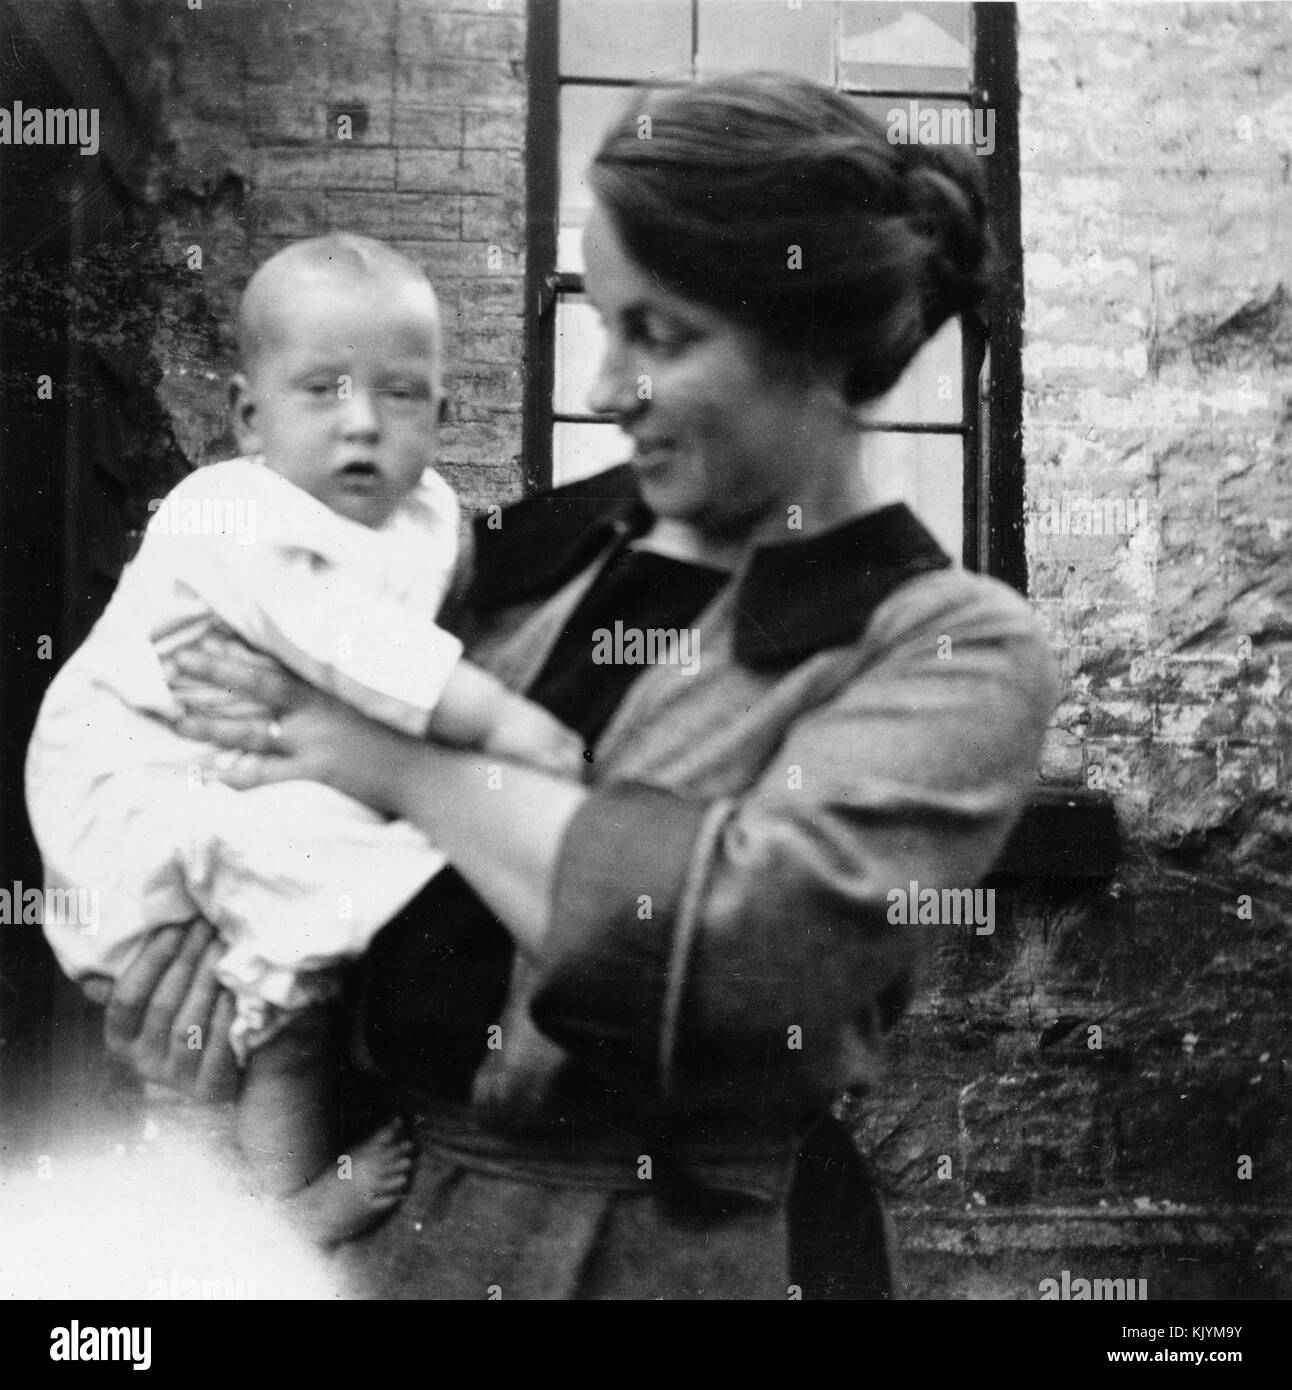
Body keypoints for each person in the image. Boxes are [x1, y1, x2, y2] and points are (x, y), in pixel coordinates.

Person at [98, 74, 1059, 1298]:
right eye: (605, 325)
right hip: (395, 1227)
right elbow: (282, 820)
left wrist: (388, 758)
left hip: (672, 1253)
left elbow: (726, 955)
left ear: (808, 340)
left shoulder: (947, 646)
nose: (605, 389)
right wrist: (193, 977)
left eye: (656, 334)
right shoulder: (522, 557)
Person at [25, 234, 582, 1245]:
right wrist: (496, 720)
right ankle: (283, 1225)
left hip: (237, 794)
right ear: (248, 415)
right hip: (136, 791)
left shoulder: (429, 525)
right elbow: (351, 646)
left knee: (273, 1018)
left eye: (401, 394)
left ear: (445, 412)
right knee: (263, 1019)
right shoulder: (235, 511)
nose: (361, 424)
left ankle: (256, 1229)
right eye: (320, 390)